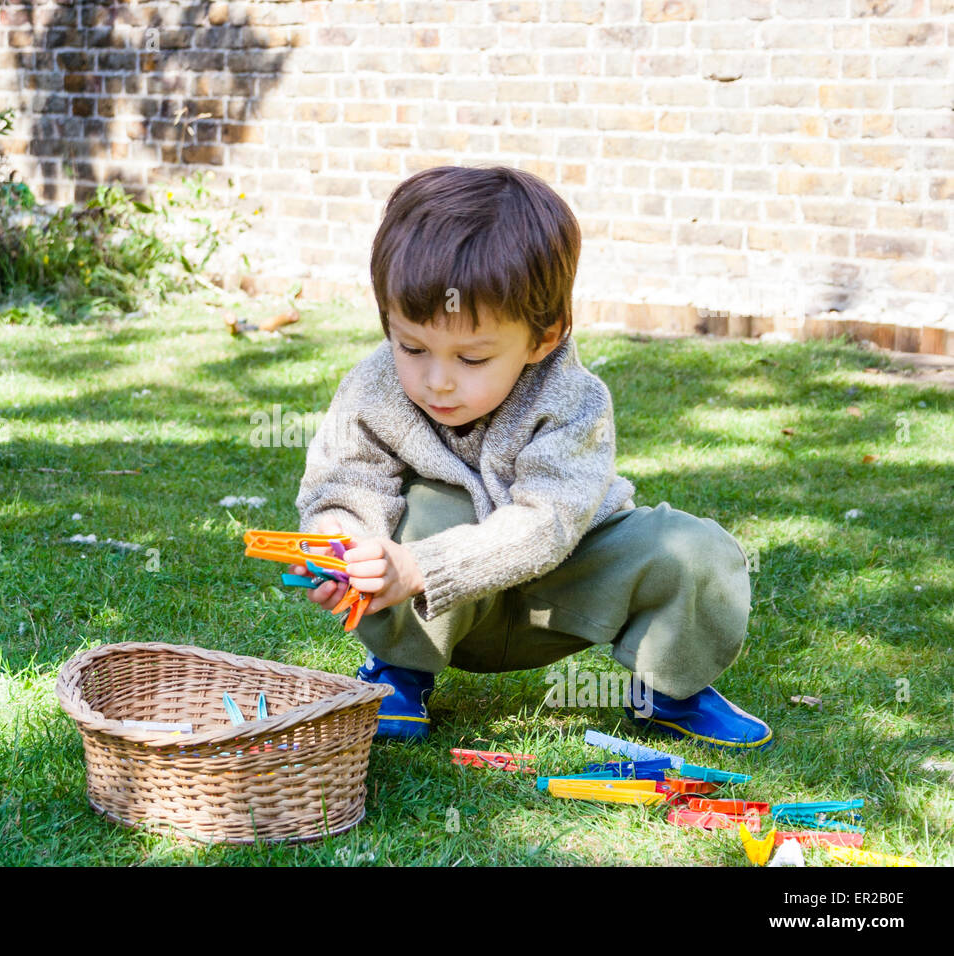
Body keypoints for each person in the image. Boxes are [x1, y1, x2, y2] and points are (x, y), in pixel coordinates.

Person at [292, 165, 771, 750]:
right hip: (439, 609)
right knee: (417, 510)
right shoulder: (374, 387)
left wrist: (422, 566)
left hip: (560, 590)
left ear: (544, 337)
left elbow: (547, 524)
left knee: (694, 548)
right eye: (412, 347)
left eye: (472, 358)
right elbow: (345, 481)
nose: (437, 381)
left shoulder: (574, 399)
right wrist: (339, 541)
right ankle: (400, 674)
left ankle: (668, 692)